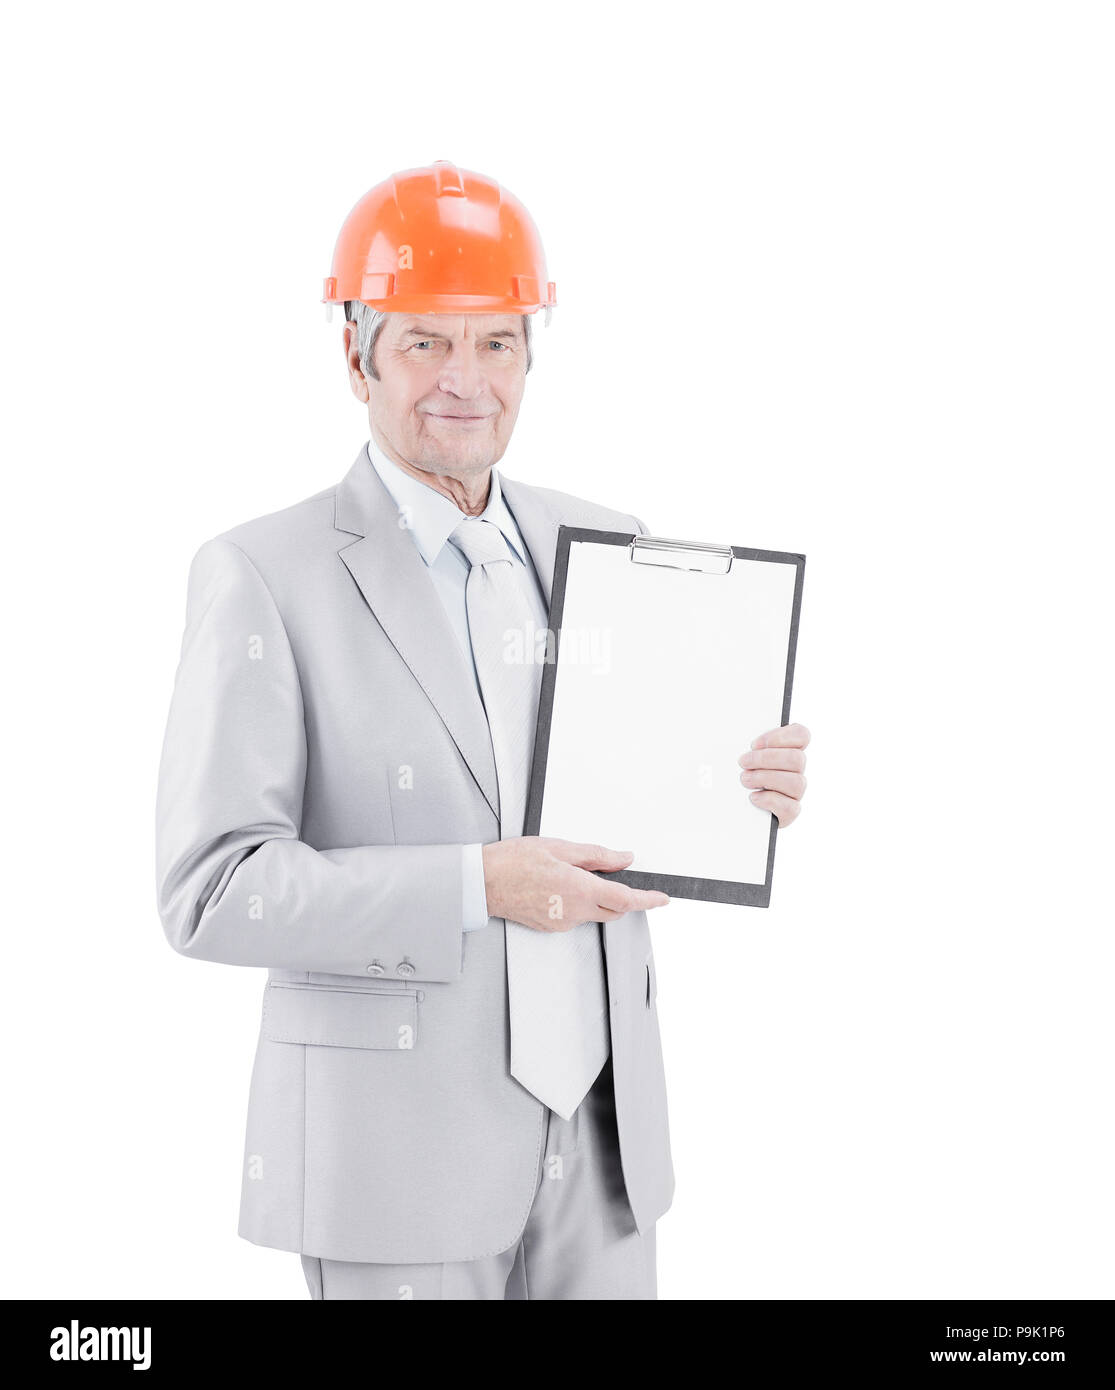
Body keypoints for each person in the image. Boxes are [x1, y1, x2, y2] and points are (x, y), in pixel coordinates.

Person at [155, 161, 811, 1300]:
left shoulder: (608, 547)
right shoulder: (263, 575)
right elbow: (213, 890)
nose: (465, 381)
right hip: (396, 1166)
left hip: (602, 1163)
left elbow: (639, 811)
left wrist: (736, 785)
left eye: (495, 343)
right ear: (353, 353)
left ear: (529, 353)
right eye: (424, 343)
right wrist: (475, 885)